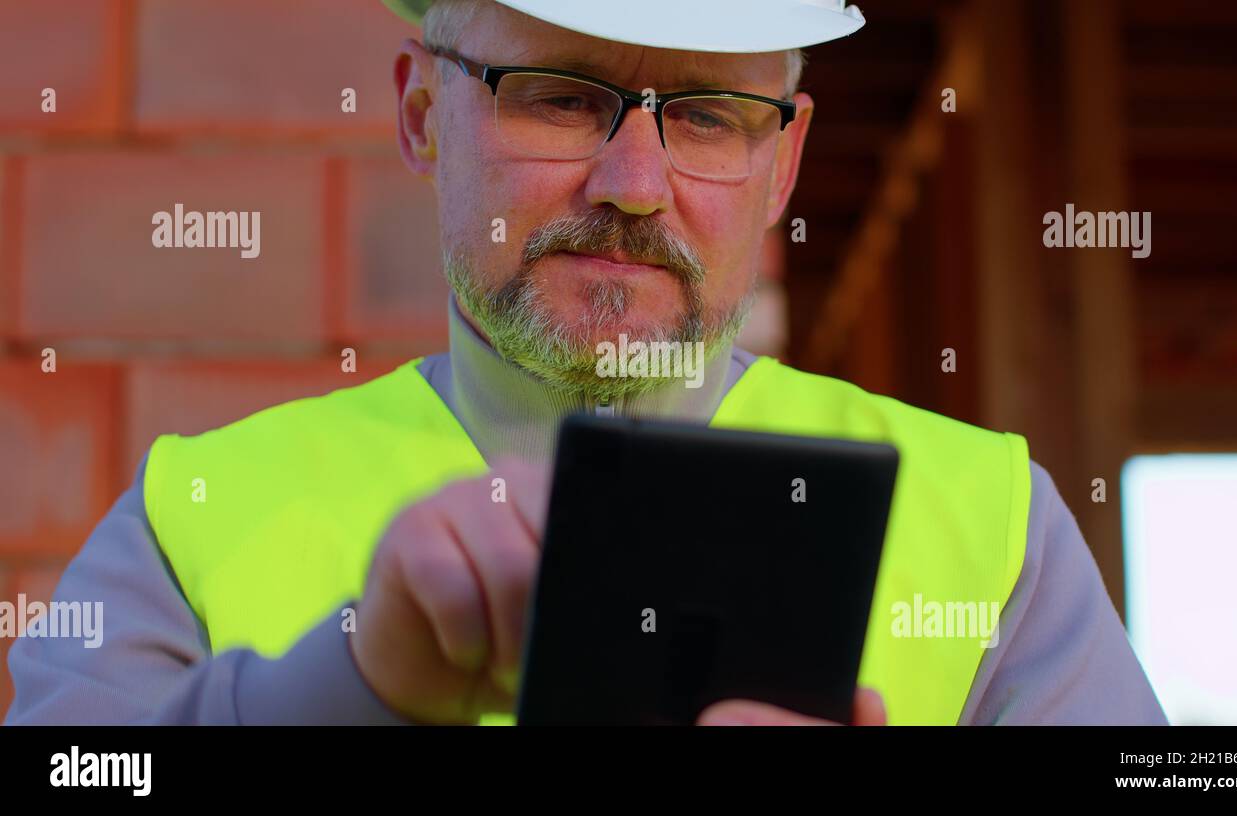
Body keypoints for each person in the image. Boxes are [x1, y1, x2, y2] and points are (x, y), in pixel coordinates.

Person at [5, 0, 1167, 726]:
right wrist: (356, 693)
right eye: (559, 97)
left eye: (709, 116)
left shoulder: (992, 524)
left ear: (787, 162)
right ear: (419, 112)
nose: (634, 183)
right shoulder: (192, 520)